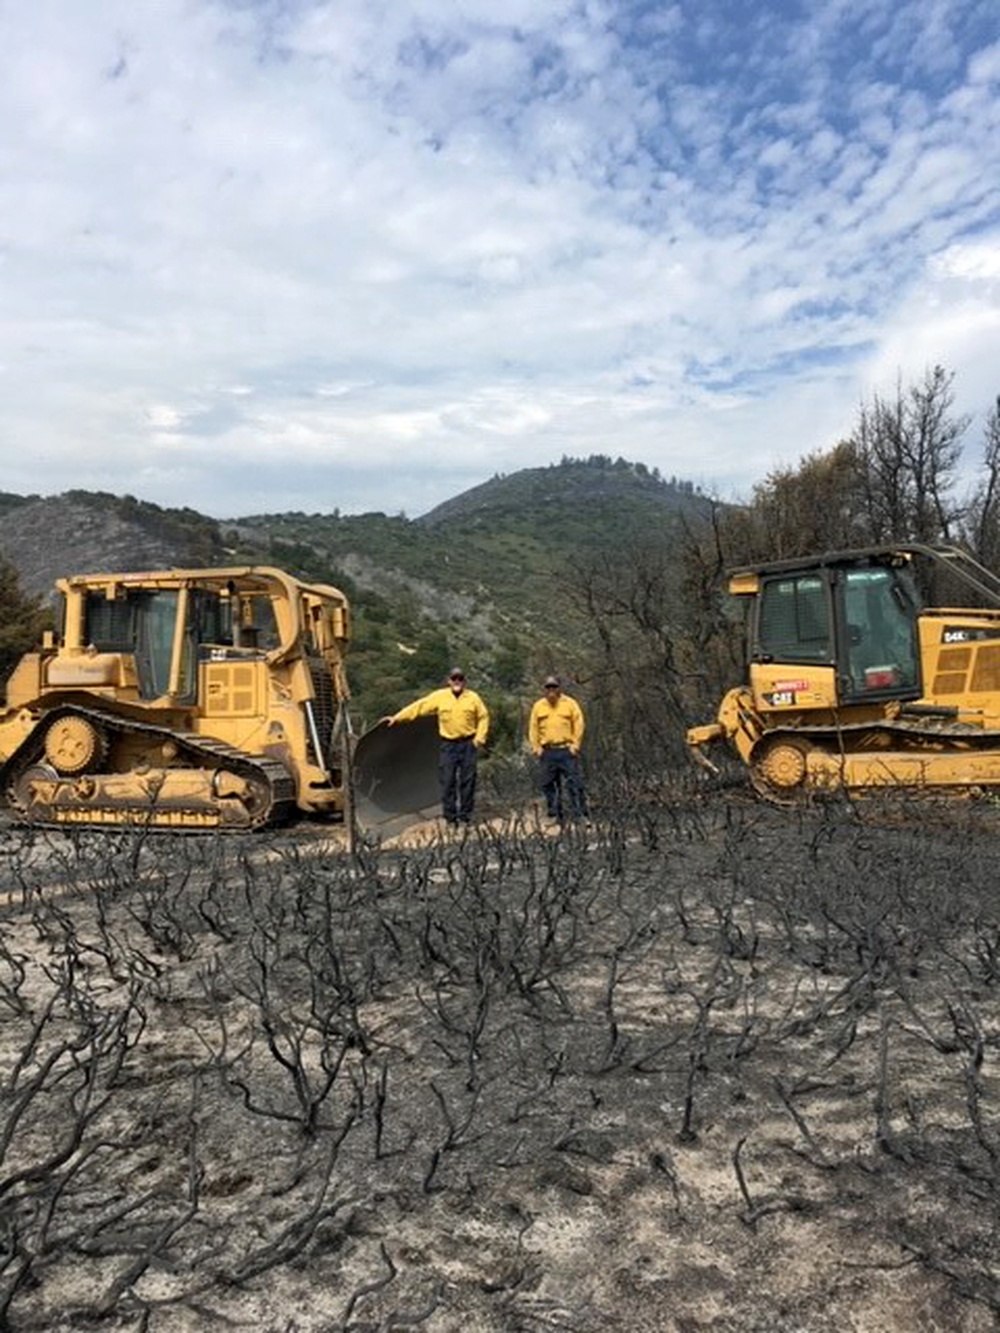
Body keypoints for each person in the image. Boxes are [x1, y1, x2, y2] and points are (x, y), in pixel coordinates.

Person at [386, 667, 489, 825]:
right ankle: (450, 818)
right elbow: (419, 707)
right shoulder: (440, 697)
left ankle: (465, 817)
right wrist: (397, 717)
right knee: (447, 781)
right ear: (449, 681)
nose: (457, 682)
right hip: (449, 745)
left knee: (467, 782)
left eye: (460, 679)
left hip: (468, 744)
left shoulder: (473, 698)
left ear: (465, 681)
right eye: (454, 679)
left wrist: (479, 739)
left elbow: (483, 717)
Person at [527, 675, 587, 823]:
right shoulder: (538, 706)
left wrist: (575, 746)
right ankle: (555, 815)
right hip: (547, 752)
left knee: (574, 783)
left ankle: (580, 815)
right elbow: (533, 728)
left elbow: (579, 724)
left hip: (566, 750)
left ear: (559, 688)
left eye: (554, 687)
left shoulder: (570, 703)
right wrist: (536, 748)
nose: (551, 690)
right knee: (549, 785)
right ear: (544, 689)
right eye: (548, 687)